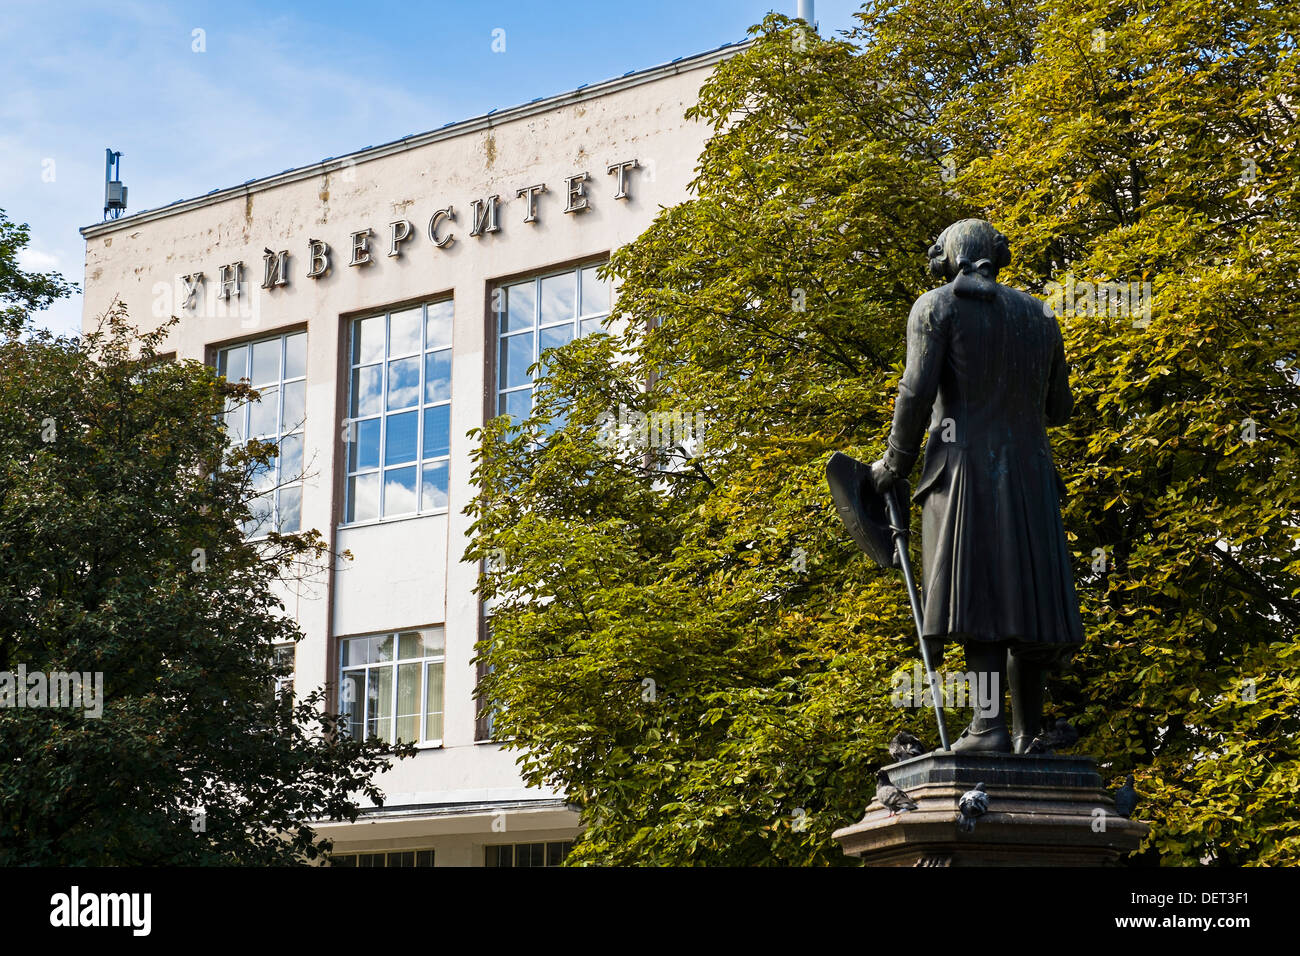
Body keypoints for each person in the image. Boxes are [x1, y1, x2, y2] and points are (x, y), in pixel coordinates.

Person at [869, 219, 1083, 754]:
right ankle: (1029, 734)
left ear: (951, 257)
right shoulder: (1040, 313)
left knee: (981, 598)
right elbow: (1060, 408)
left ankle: (987, 729)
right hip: (1032, 477)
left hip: (964, 470)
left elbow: (915, 393)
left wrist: (893, 463)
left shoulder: (936, 306)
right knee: (1025, 604)